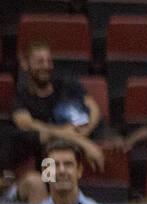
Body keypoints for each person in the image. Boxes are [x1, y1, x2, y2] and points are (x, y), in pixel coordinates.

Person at [6, 42, 104, 172]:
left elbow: (93, 107)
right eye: (40, 62)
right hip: (49, 158)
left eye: (49, 61)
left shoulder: (66, 84)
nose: (46, 66)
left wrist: (87, 130)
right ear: (25, 64)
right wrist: (82, 142)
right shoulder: (21, 97)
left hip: (88, 135)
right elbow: (26, 124)